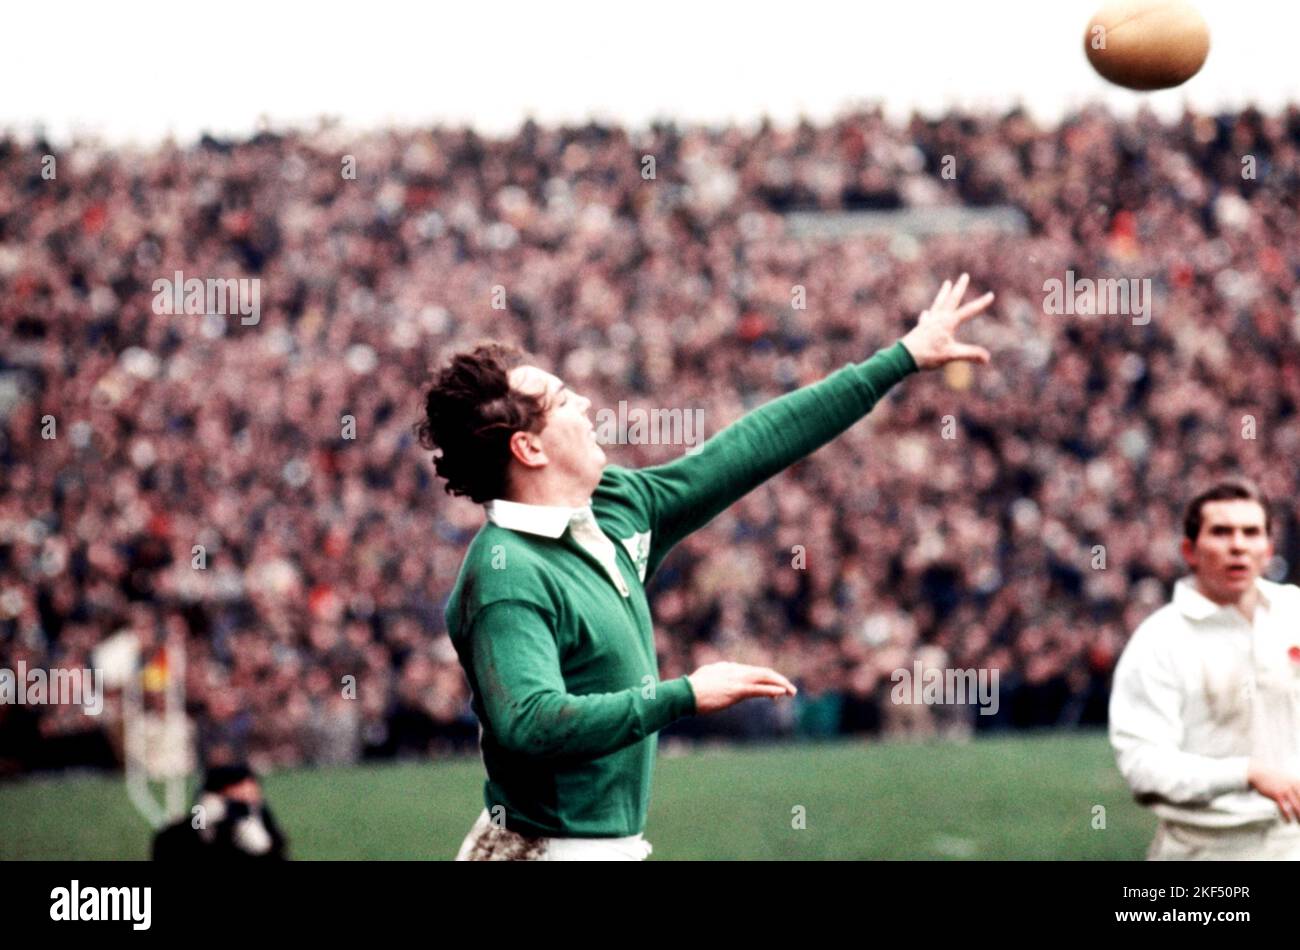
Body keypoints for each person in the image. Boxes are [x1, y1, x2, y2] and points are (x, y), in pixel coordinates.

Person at [419, 275, 995, 860]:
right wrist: (685, 696)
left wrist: (900, 358)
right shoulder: (506, 571)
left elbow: (750, 447)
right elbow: (533, 721)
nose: (587, 403)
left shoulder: (615, 507)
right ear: (530, 449)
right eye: (564, 401)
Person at [1109, 480, 1300, 860]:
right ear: (1189, 550)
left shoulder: (1294, 612)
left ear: (1268, 549)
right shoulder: (1158, 640)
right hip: (1207, 848)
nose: (1238, 545)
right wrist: (1245, 773)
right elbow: (1144, 767)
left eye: (1251, 532)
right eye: (1221, 532)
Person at [152, 764, 289, 860]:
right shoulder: (173, 836)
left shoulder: (266, 828)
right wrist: (207, 826)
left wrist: (258, 841)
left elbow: (273, 852)